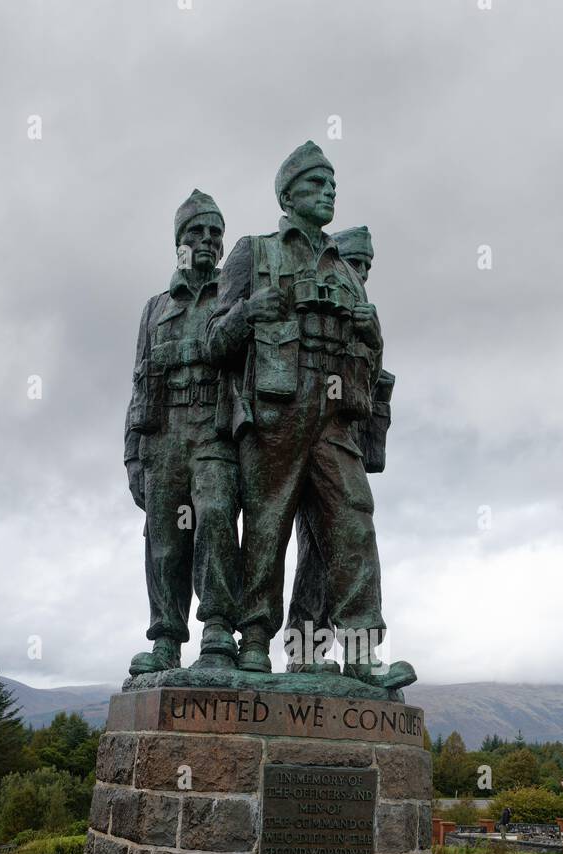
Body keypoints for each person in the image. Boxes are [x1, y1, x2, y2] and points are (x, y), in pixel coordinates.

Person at [205, 141, 414, 690]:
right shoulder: (255, 251)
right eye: (316, 185)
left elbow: (372, 354)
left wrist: (372, 330)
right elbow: (214, 341)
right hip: (278, 408)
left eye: (332, 186)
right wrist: (248, 314)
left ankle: (363, 650)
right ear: (287, 194)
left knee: (352, 521)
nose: (328, 194)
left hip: (335, 414)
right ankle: (253, 639)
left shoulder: (345, 269)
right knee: (267, 524)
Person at [125, 189, 241, 676]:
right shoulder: (155, 308)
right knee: (166, 538)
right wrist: (133, 454)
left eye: (215, 232)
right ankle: (166, 639)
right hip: (164, 433)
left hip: (214, 430)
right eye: (198, 232)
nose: (209, 240)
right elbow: (139, 379)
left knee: (215, 517)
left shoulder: (234, 296)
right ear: (179, 242)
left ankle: (217, 629)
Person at [285, 224, 395, 672]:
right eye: (354, 263)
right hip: (292, 429)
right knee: (307, 551)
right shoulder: (315, 301)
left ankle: (331, 652)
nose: (361, 274)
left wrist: (375, 340)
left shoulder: (364, 318)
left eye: (367, 266)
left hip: (340, 441)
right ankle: (300, 651)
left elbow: (369, 388)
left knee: (343, 541)